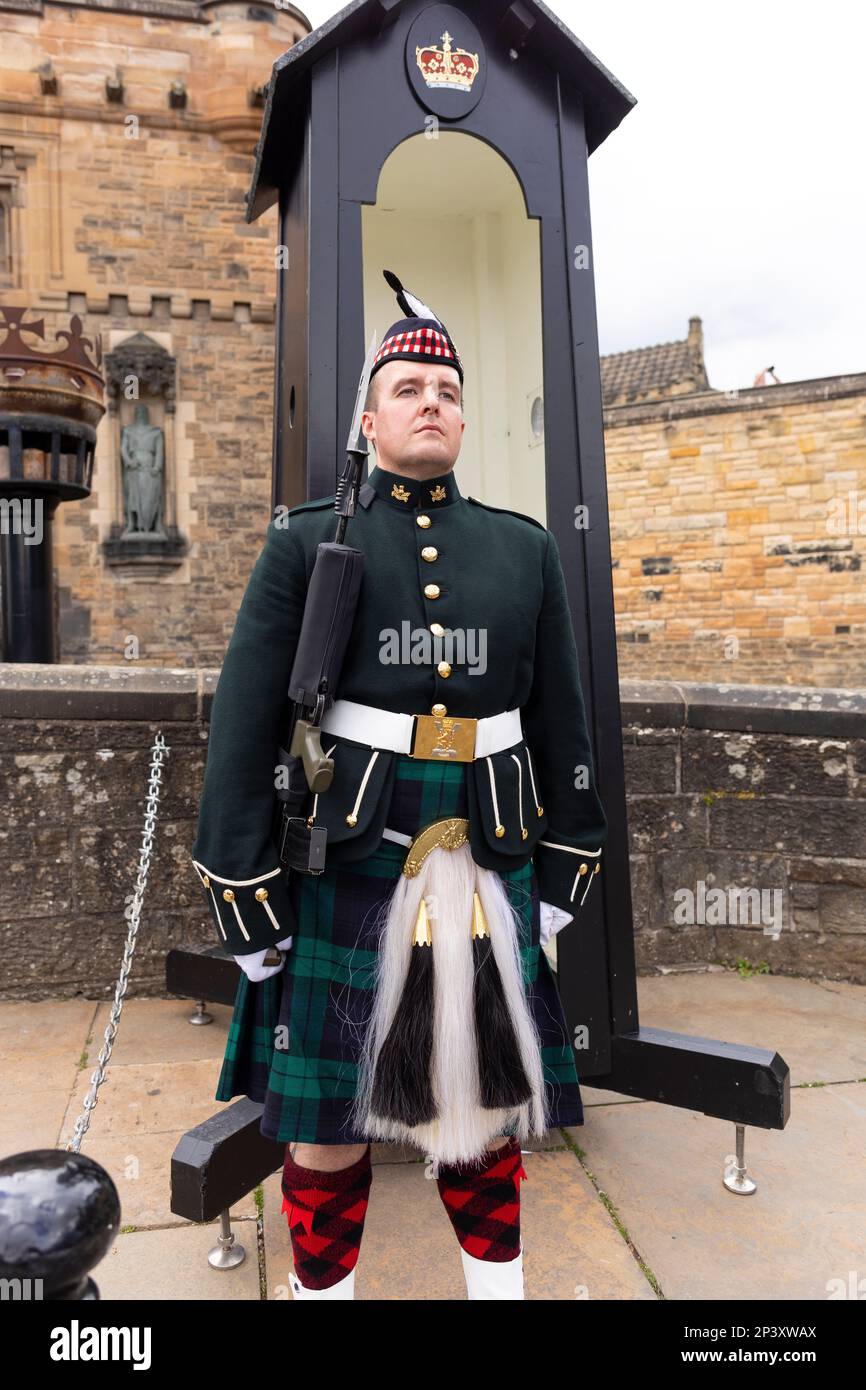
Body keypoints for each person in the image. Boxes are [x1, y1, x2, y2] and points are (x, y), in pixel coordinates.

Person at [190, 272, 607, 1300]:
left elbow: (562, 716)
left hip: (485, 848)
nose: (431, 401)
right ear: (369, 418)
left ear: (463, 418)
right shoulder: (305, 539)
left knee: (482, 1108)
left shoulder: (524, 548)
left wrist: (569, 849)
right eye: (409, 386)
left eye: (447, 389)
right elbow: (243, 725)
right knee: (326, 1125)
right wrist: (244, 892)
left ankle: (496, 1292)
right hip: (349, 854)